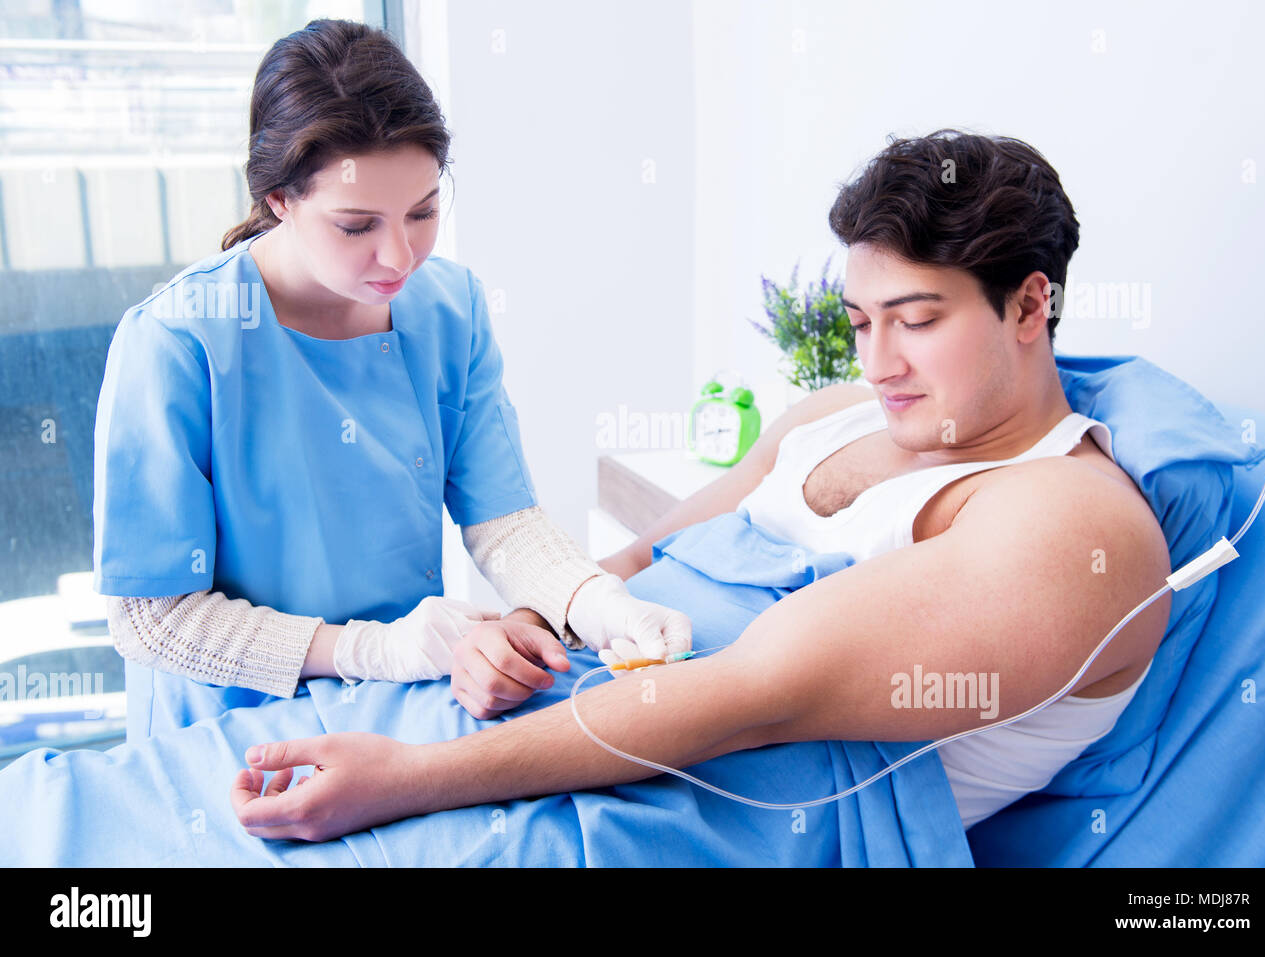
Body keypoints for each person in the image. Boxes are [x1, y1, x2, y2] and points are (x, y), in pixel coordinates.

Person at [229, 129, 1174, 842]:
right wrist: (535, 622)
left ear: (1030, 303)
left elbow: (754, 694)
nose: (877, 360)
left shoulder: (1067, 522)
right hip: (576, 714)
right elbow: (639, 556)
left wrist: (409, 776)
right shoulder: (837, 415)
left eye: (916, 321)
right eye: (858, 320)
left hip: (707, 814)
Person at [93, 18, 689, 743]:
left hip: (396, 715)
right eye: (356, 225)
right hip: (228, 729)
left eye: (424, 212)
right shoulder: (178, 341)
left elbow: (503, 524)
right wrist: (365, 649)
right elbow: (152, 617)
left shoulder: (449, 309)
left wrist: (601, 604)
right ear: (280, 198)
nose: (399, 256)